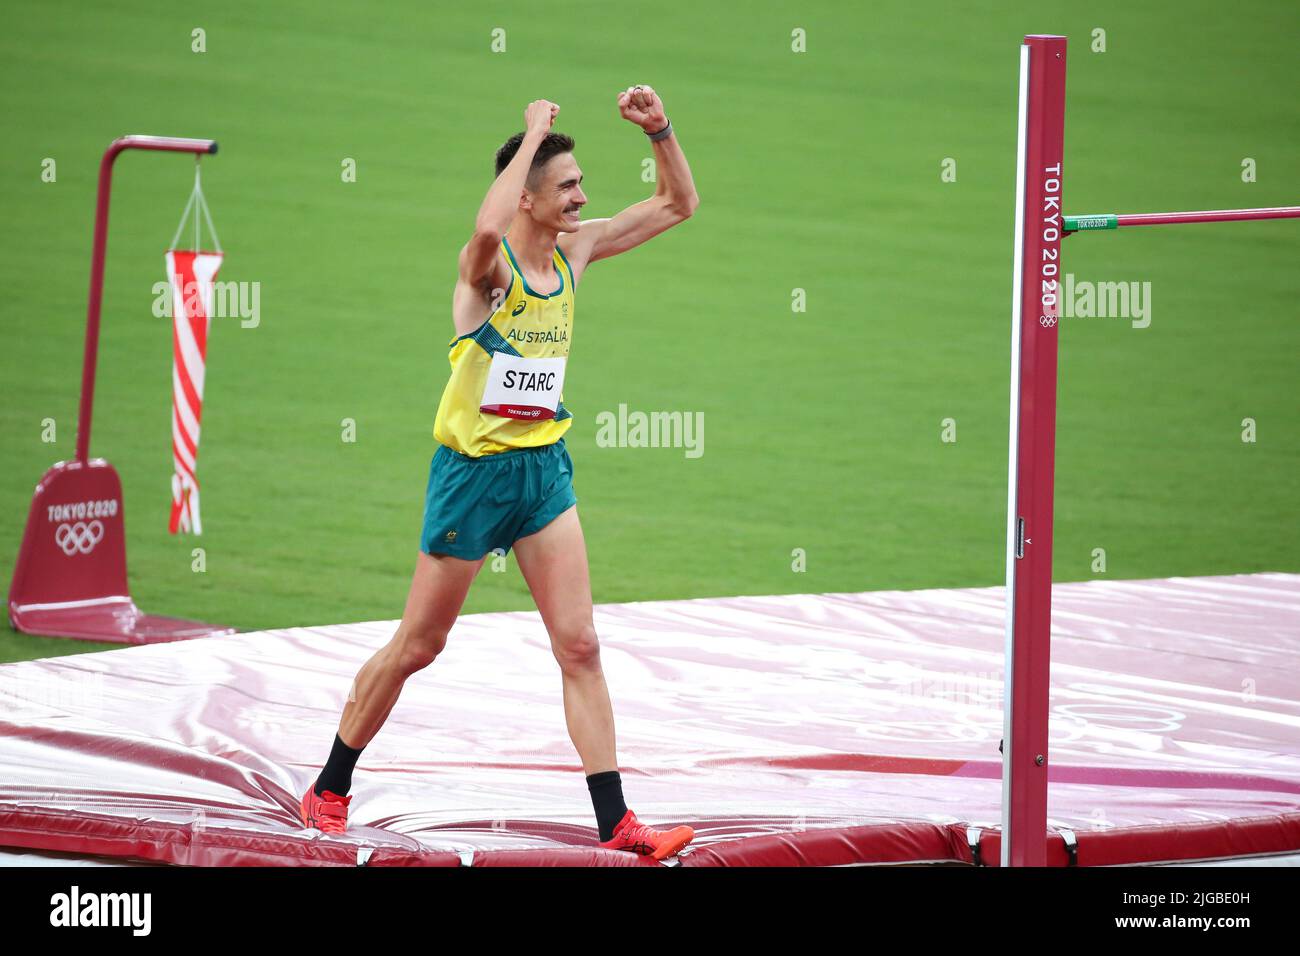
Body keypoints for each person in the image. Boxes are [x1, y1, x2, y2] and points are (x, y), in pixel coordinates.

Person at [300, 86, 700, 860]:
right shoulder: (487, 272)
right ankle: (330, 784)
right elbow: (486, 224)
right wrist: (531, 131)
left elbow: (678, 204)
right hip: (472, 478)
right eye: (568, 186)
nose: (583, 196)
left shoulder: (577, 250)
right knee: (419, 644)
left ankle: (617, 822)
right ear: (528, 196)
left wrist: (661, 130)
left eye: (581, 182)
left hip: (542, 474)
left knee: (580, 645)